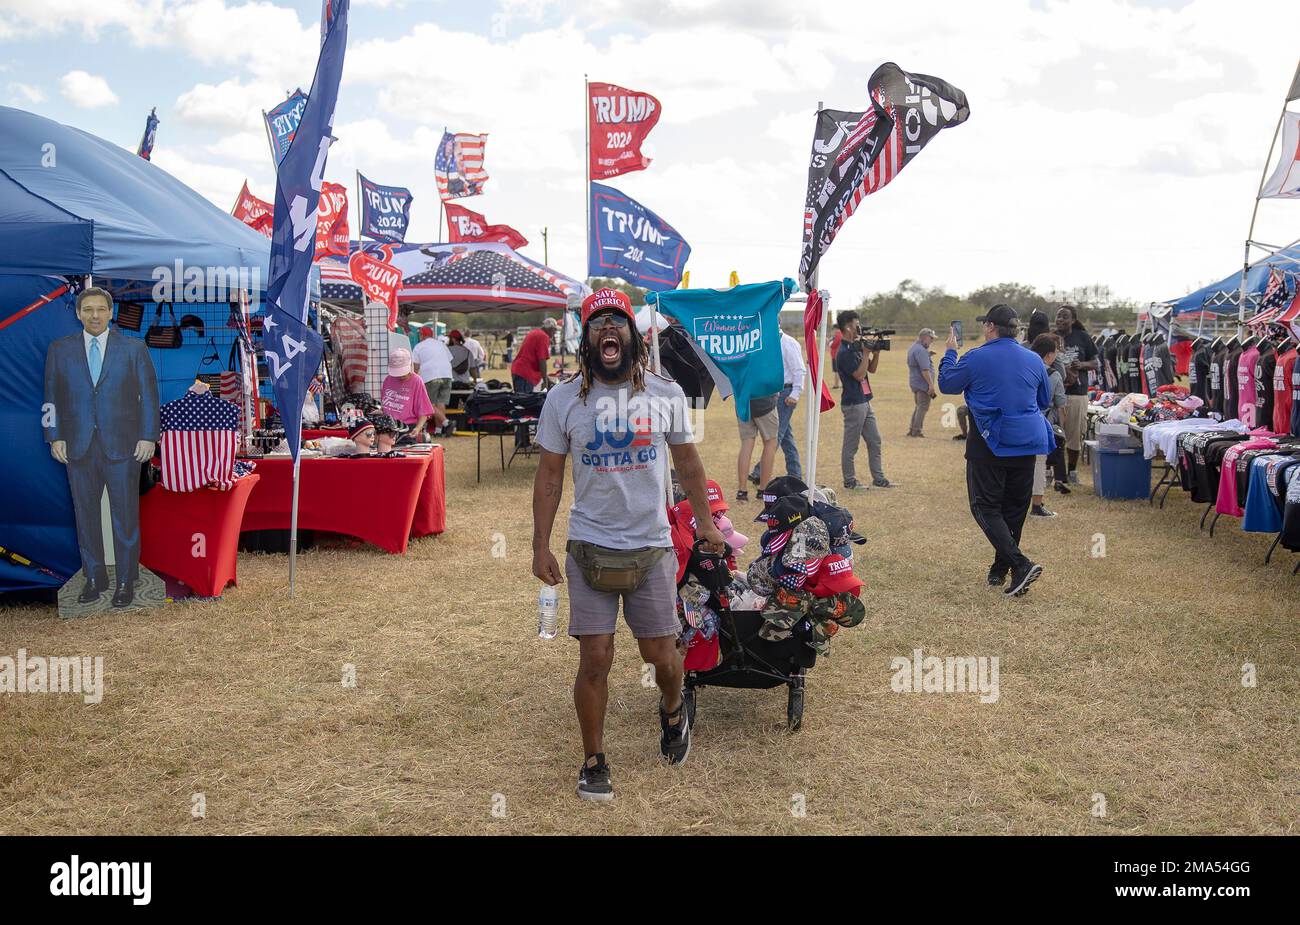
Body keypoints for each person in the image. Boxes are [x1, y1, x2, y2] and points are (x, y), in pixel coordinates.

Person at [532, 287, 727, 801]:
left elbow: (688, 463)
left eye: (617, 321)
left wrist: (706, 523)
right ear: (587, 338)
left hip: (652, 548)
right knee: (595, 657)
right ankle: (594, 760)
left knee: (661, 655)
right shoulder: (563, 399)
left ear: (634, 335)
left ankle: (672, 708)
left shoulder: (665, 394)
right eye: (598, 323)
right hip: (589, 547)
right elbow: (550, 476)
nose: (608, 330)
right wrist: (539, 545)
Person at [44, 287, 159, 607]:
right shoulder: (60, 350)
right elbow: (51, 397)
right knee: (86, 516)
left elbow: (149, 396)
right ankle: (94, 576)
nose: (94, 315)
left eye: (100, 310)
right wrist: (54, 436)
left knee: (125, 515)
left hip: (123, 446)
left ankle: (126, 578)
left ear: (111, 313)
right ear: (78, 314)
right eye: (88, 310)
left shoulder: (134, 349)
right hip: (78, 447)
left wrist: (148, 436)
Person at [937, 304, 1054, 597]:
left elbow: (947, 383)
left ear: (991, 327)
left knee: (985, 506)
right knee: (1014, 509)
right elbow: (1044, 399)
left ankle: (1020, 563)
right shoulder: (1034, 359)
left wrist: (951, 352)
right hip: (1028, 440)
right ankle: (1002, 569)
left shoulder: (976, 357)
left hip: (991, 442)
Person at [833, 311, 894, 490]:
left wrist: (875, 353)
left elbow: (871, 370)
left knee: (875, 440)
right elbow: (859, 376)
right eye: (856, 324)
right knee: (851, 446)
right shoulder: (844, 352)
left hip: (865, 400)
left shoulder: (856, 347)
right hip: (853, 403)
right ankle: (850, 482)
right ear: (847, 327)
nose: (859, 328)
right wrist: (866, 353)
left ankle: (879, 479)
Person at [749, 329, 805, 484]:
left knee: (776, 435)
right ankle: (795, 473)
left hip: (786, 393)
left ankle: (759, 471)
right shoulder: (769, 341)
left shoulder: (789, 343)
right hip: (773, 392)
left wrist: (795, 393)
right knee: (786, 436)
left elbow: (799, 370)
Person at [1055, 305, 1099, 483]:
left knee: (1074, 435)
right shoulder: (1052, 338)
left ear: (1073, 320)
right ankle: (1055, 473)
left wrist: (1081, 365)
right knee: (1055, 434)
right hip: (1055, 395)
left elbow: (1095, 363)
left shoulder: (1082, 337)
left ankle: (1072, 472)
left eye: (1064, 317)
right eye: (1058, 316)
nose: (1060, 320)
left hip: (1077, 393)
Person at [1028, 333, 1068, 518]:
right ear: (1050, 355)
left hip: (1016, 423)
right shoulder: (1053, 374)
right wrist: (1061, 429)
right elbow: (1061, 406)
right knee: (1038, 464)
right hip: (1040, 425)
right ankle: (1037, 505)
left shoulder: (1022, 367)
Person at [380, 347, 433, 440]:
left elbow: (424, 410)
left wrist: (417, 428)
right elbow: (385, 404)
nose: (400, 376)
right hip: (388, 427)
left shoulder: (416, 381)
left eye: (402, 372)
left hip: (407, 429)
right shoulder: (388, 379)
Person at [736, 394, 779, 502]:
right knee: (770, 443)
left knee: (746, 444)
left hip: (743, 402)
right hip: (764, 402)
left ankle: (742, 491)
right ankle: (763, 490)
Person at [410, 328, 452, 436]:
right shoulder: (441, 344)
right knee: (440, 403)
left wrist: (413, 378)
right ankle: (439, 431)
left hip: (430, 375)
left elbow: (416, 366)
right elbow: (450, 359)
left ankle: (447, 422)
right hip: (447, 374)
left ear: (422, 335)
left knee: (429, 404)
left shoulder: (419, 346)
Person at [906, 328, 939, 437]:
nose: (932, 341)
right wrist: (930, 385)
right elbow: (925, 370)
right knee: (923, 407)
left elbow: (916, 361)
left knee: (919, 406)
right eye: (931, 338)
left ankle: (912, 429)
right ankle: (916, 431)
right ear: (925, 338)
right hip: (922, 384)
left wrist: (927, 355)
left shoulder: (914, 348)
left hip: (915, 382)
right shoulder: (921, 350)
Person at [511, 317, 557, 393]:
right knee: (525, 401)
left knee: (520, 400)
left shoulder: (535, 332)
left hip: (519, 370)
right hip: (526, 373)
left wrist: (546, 379)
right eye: (554, 330)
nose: (555, 333)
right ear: (551, 329)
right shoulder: (543, 337)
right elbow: (542, 360)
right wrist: (545, 381)